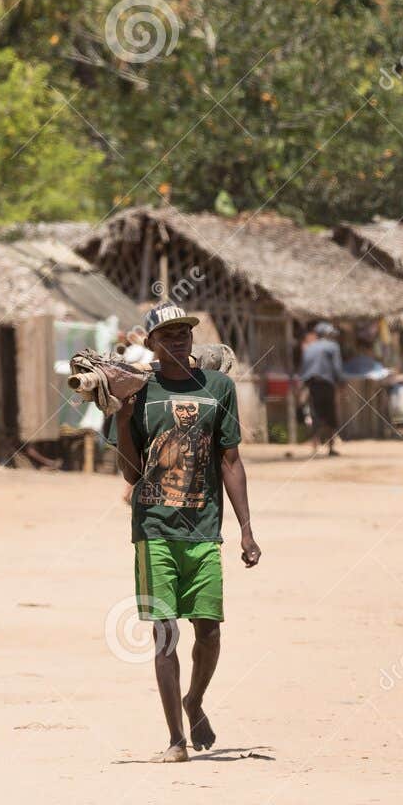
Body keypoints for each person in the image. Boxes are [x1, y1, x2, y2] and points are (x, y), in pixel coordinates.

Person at [114, 301, 261, 763]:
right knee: (165, 635)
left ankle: (194, 699)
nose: (178, 341)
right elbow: (131, 473)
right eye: (168, 335)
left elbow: (230, 461)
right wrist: (121, 414)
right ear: (151, 344)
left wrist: (247, 529)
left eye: (184, 334)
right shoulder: (139, 391)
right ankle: (176, 739)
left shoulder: (218, 387)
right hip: (154, 528)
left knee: (210, 630)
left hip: (203, 529)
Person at [297, 321, 344, 457]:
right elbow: (337, 367)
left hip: (312, 385)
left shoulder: (309, 347)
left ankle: (315, 447)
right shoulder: (333, 347)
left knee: (315, 414)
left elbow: (304, 368)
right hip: (327, 384)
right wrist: (340, 382)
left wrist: (303, 385)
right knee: (330, 415)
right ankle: (330, 448)